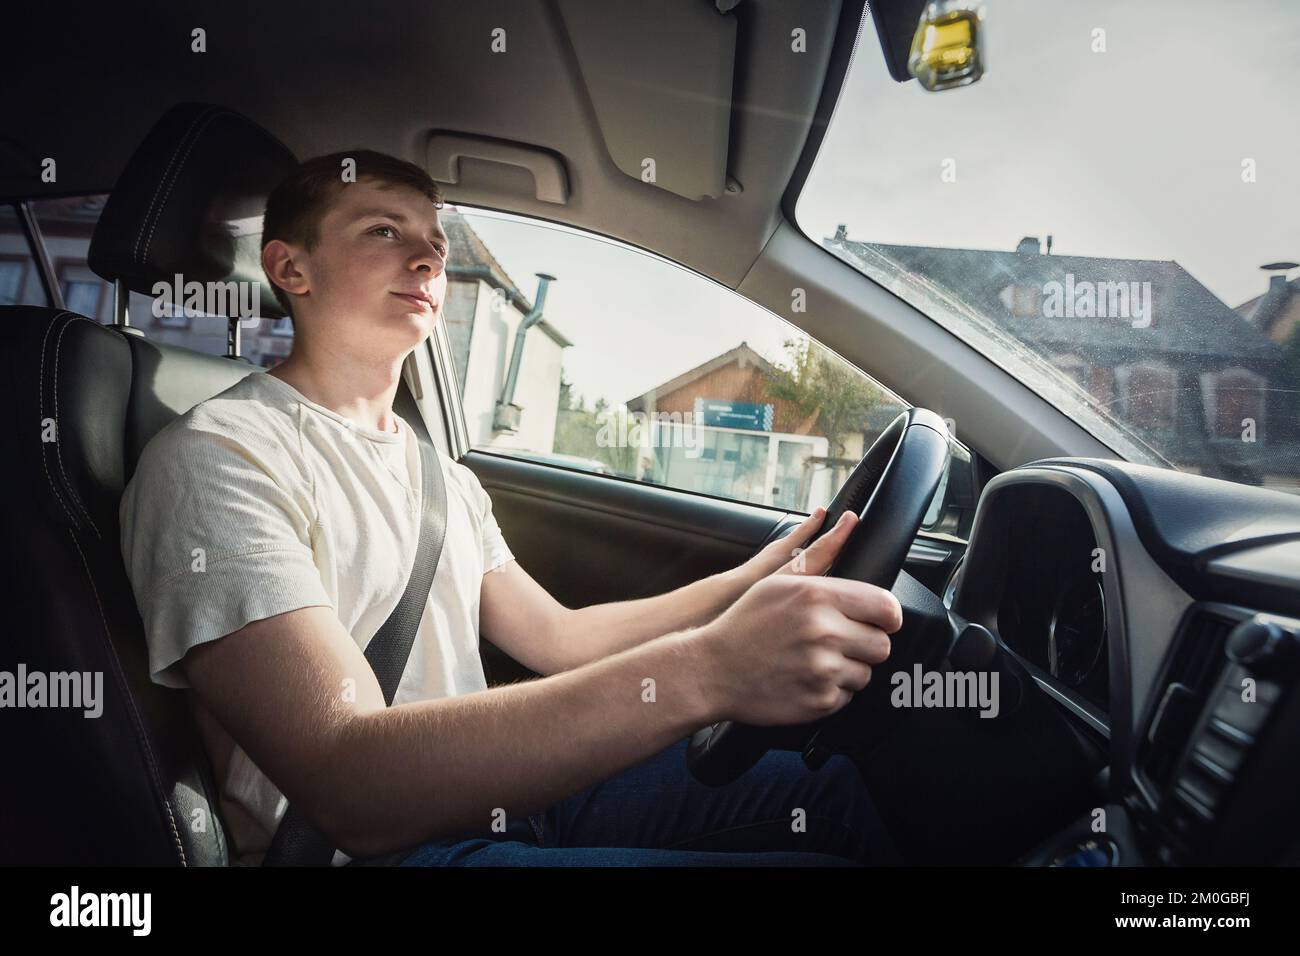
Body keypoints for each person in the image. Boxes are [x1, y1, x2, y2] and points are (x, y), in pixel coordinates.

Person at [119, 150, 904, 866]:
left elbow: (559, 638)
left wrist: (760, 577)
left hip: (500, 800)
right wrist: (707, 671)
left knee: (828, 789)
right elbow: (350, 780)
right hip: (374, 851)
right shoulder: (218, 457)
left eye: (435, 239)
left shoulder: (440, 475)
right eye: (384, 232)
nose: (428, 257)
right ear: (290, 268)